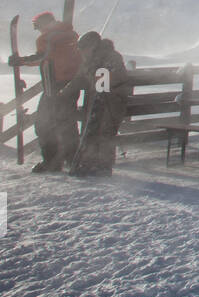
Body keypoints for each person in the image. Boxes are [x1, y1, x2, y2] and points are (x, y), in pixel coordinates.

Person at [8, 11, 82, 173]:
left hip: (54, 86)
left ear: (43, 24)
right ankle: (73, 159)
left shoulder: (47, 38)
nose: (37, 30)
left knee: (44, 125)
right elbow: (54, 57)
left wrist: (21, 61)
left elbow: (43, 57)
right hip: (72, 84)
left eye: (37, 26)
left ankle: (52, 162)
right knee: (67, 123)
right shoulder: (70, 34)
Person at [58, 32, 132, 176]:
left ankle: (103, 166)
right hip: (96, 100)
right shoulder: (89, 60)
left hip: (112, 101)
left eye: (83, 48)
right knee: (90, 130)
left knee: (105, 132)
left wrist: (97, 76)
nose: (82, 52)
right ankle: (89, 162)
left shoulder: (110, 57)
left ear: (92, 46)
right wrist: (64, 92)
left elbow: (110, 80)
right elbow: (79, 79)